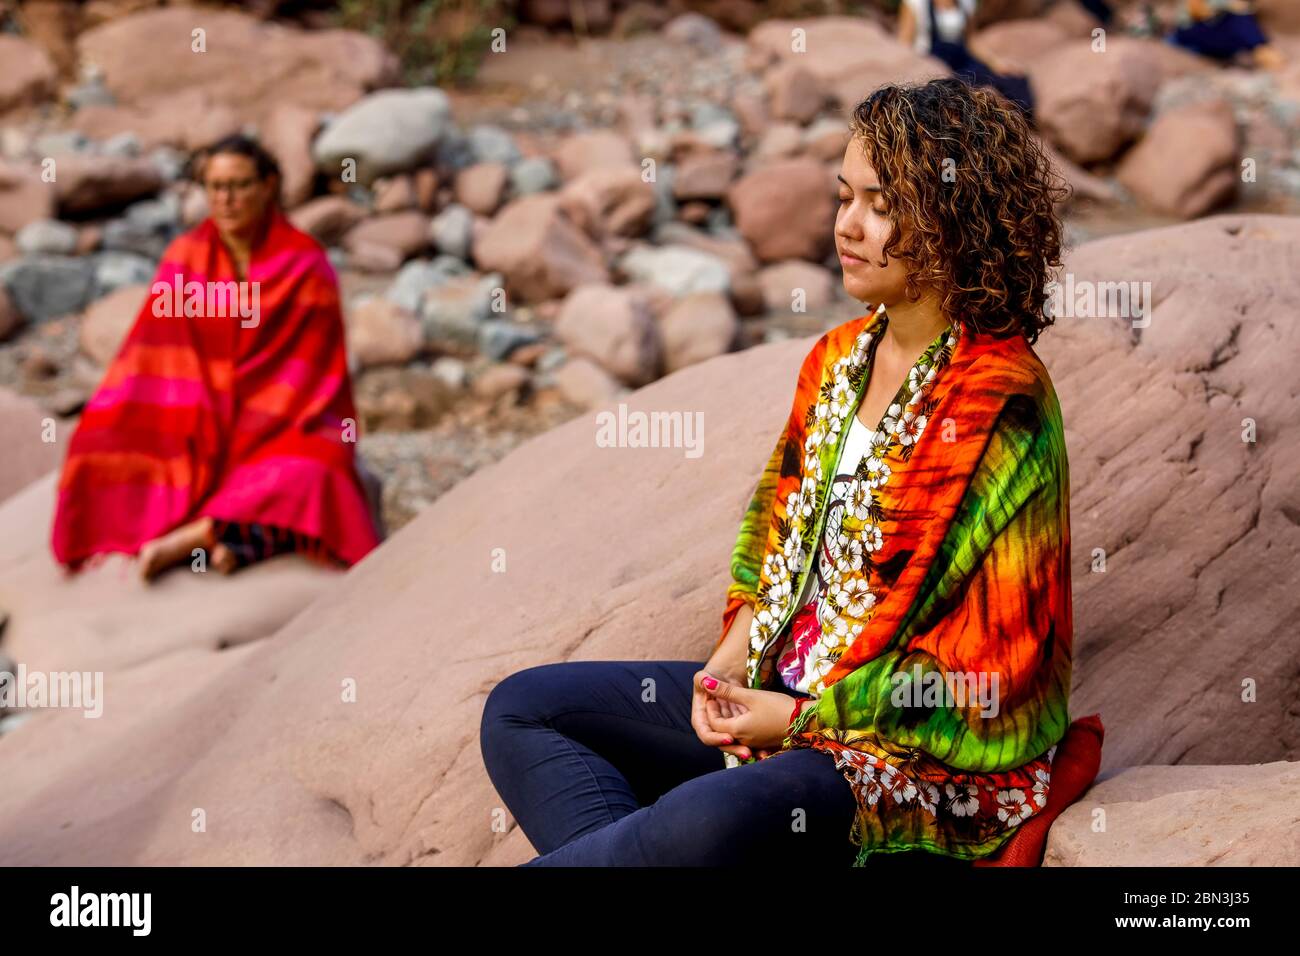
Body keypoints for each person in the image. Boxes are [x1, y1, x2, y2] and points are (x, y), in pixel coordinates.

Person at [480, 77, 1080, 866]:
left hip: (909, 758)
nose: (847, 226)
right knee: (523, 712)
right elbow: (770, 540)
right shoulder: (835, 361)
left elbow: (996, 672)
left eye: (879, 203)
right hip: (777, 686)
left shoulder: (1004, 399)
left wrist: (800, 720)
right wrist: (731, 659)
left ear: (951, 218)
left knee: (703, 824)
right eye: (842, 198)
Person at [50, 134, 382, 580]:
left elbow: (316, 376)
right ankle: (237, 542)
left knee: (320, 471)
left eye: (239, 185)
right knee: (95, 445)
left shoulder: (306, 264)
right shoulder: (186, 257)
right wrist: (190, 412)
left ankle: (202, 534)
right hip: (197, 416)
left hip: (277, 424)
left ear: (268, 186)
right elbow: (151, 357)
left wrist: (250, 418)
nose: (225, 200)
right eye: (215, 187)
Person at [896, 0, 1036, 121]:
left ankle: (1017, 118)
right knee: (957, 93)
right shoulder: (915, 3)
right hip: (931, 61)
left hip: (962, 59)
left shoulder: (966, 2)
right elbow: (904, 43)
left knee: (1013, 79)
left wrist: (995, 62)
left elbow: (971, 40)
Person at [1167, 0, 1285, 70]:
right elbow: (1198, 12)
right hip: (1192, 33)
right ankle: (1262, 50)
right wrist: (1227, 5)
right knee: (1240, 20)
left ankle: (1262, 50)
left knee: (1242, 20)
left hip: (1213, 35)